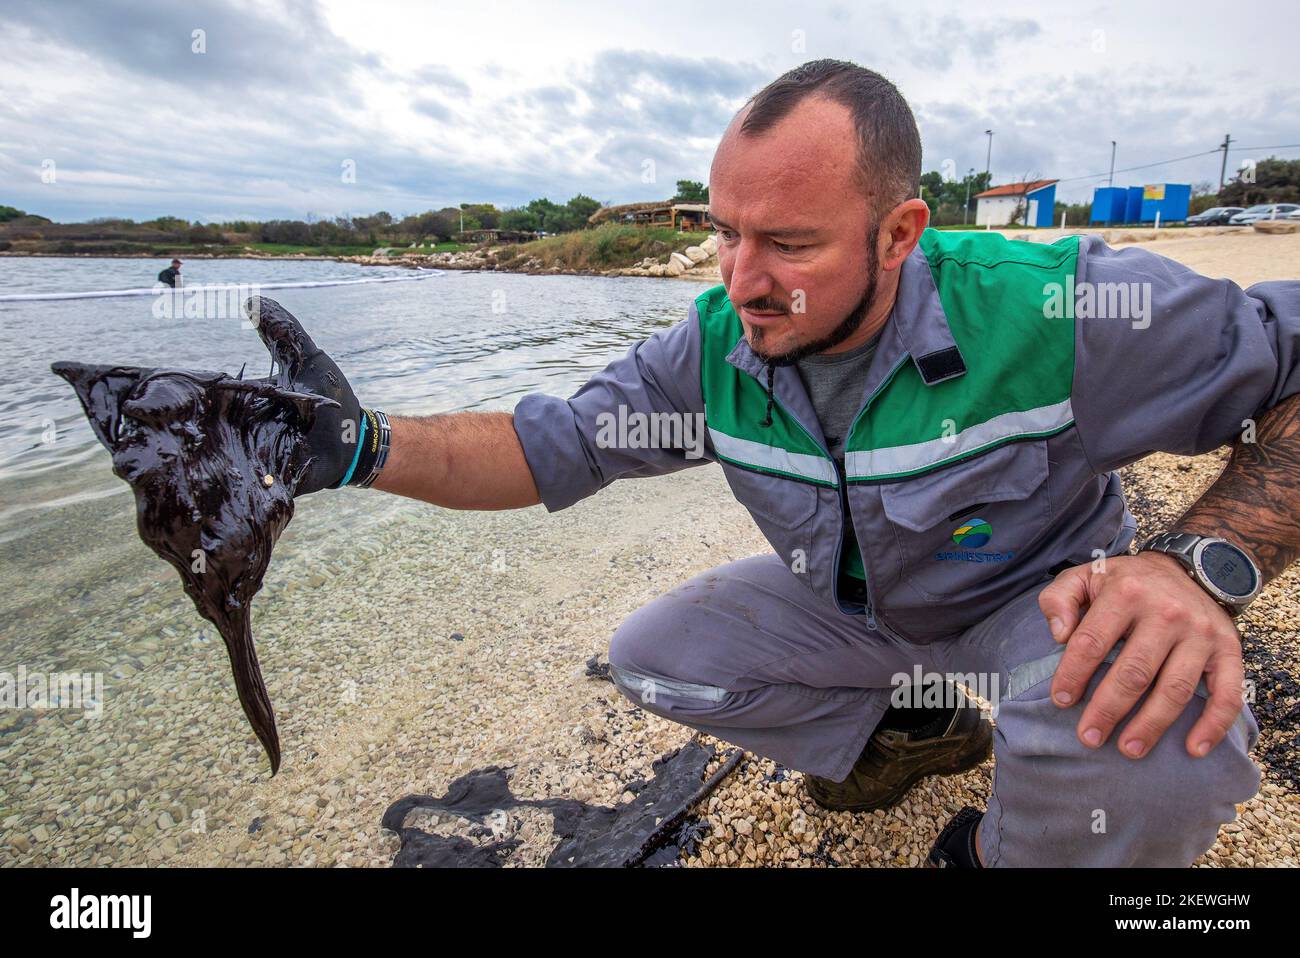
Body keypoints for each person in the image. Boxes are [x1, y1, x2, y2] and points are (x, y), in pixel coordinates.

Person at [253, 59, 1300, 867]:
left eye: (790, 245)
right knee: (655, 656)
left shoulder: (1053, 311)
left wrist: (1196, 563)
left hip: (1031, 604)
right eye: (723, 235)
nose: (743, 283)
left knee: (1163, 752)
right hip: (860, 615)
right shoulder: (716, 348)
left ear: (899, 233)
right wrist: (358, 446)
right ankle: (917, 729)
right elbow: (549, 448)